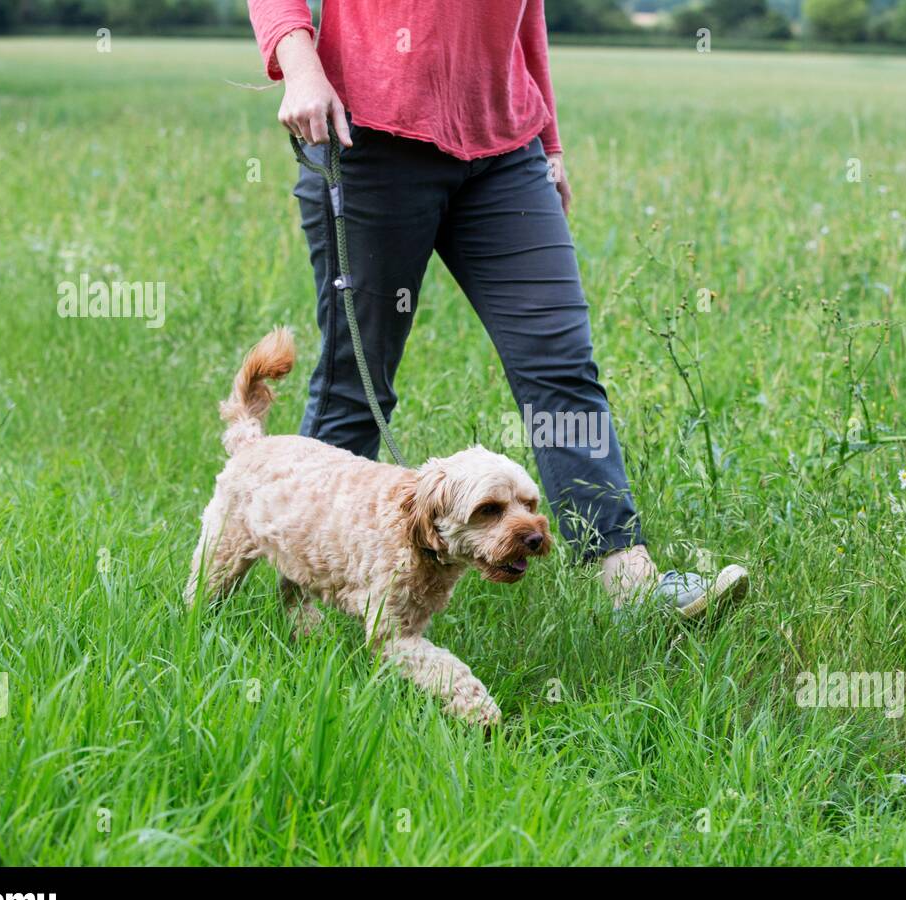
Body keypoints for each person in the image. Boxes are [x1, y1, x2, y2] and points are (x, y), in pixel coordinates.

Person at [246, 0, 748, 618]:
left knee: (560, 365)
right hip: (367, 133)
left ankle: (628, 582)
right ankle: (307, 598)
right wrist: (300, 68)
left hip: (505, 150)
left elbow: (525, 15)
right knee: (357, 380)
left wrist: (550, 143)